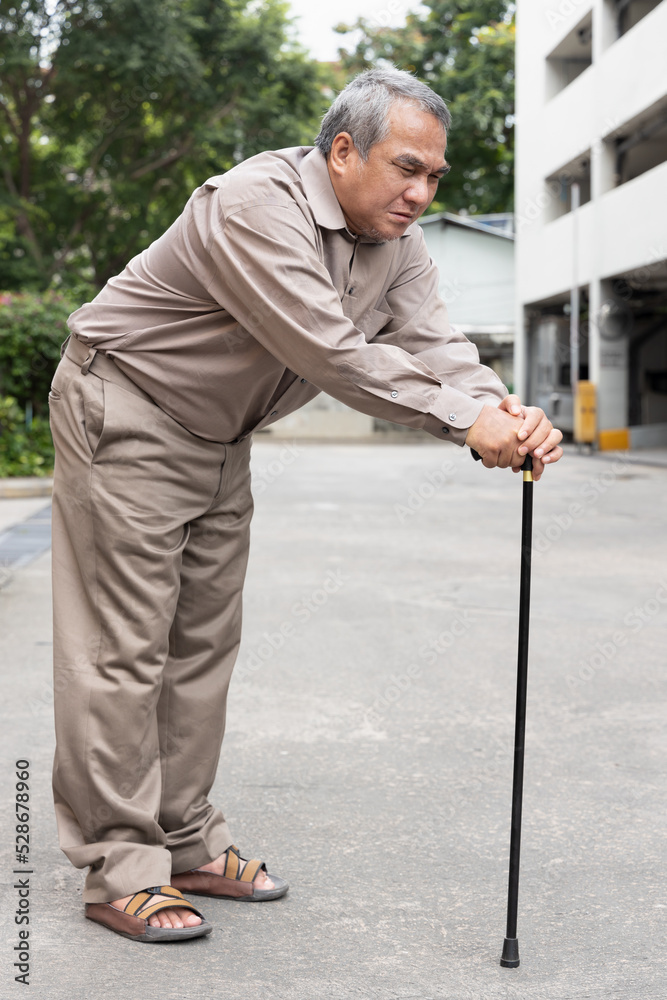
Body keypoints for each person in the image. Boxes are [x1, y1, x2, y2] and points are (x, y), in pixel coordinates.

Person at [48, 67, 563, 943]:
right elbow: (329, 351)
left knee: (202, 645)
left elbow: (437, 343)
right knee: (123, 650)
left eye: (434, 176)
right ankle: (117, 868)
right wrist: (464, 422)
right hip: (127, 408)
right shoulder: (255, 204)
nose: (420, 191)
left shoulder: (396, 239)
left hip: (219, 434)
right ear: (340, 150)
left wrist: (502, 410)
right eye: (407, 168)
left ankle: (181, 840)